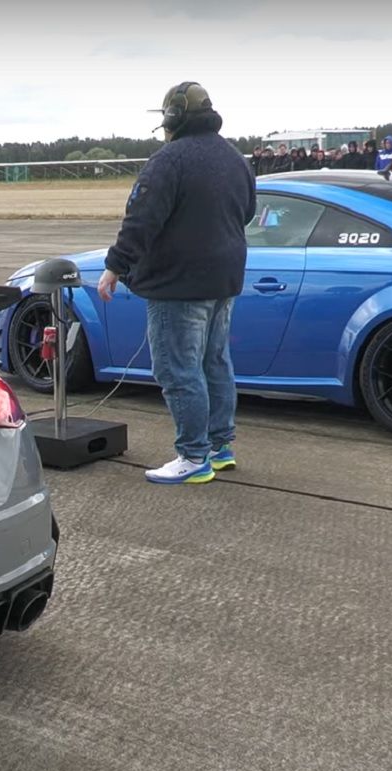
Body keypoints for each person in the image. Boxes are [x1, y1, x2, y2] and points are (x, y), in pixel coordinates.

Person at [99, 81, 254, 485]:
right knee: (215, 362)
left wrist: (115, 265)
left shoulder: (169, 160)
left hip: (179, 284)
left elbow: (141, 219)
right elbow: (248, 212)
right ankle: (220, 447)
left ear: (172, 116)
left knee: (178, 369)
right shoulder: (235, 158)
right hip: (224, 280)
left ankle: (192, 456)